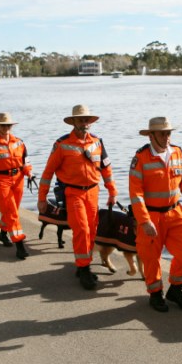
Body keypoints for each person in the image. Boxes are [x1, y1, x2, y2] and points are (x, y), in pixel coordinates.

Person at [37, 105, 117, 290]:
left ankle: (84, 263)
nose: (85, 123)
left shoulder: (97, 142)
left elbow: (106, 168)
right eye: (80, 120)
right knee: (81, 229)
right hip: (73, 193)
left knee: (92, 229)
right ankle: (83, 268)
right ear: (73, 122)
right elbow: (48, 172)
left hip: (93, 192)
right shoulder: (62, 144)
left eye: (87, 120)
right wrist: (42, 198)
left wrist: (112, 191)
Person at [129, 117, 182, 312]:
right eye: (162, 133)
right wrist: (144, 221)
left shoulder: (178, 152)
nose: (166, 137)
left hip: (175, 212)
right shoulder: (141, 158)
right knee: (151, 258)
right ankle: (155, 294)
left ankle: (176, 289)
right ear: (151, 135)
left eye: (169, 132)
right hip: (151, 215)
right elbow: (135, 194)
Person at [0, 113, 34, 260]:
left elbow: (25, 161)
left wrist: (29, 173)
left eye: (8, 125)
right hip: (1, 180)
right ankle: (20, 244)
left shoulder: (19, 142)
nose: (6, 128)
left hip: (19, 179)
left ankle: (3, 233)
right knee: (11, 212)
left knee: (11, 210)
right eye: (3, 125)